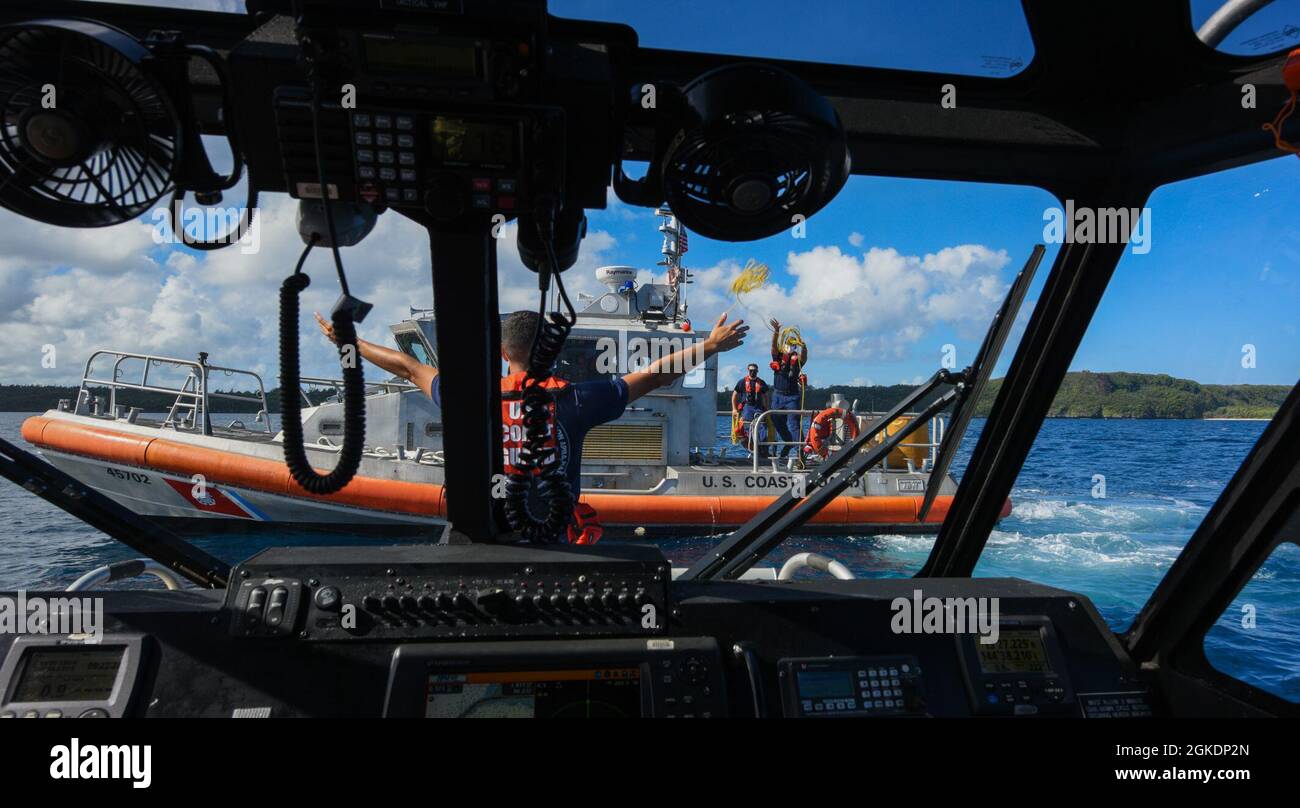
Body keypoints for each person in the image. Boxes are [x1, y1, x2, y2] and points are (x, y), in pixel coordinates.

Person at [316, 309, 747, 542]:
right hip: (550, 535)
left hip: (482, 536)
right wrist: (707, 346)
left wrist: (349, 341)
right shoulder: (576, 400)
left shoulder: (472, 399)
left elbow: (410, 368)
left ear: (504, 353)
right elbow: (655, 374)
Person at [767, 318, 808, 467]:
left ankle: (800, 453)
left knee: (793, 424)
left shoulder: (797, 360)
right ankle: (789, 443)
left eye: (793, 345)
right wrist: (776, 331)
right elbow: (772, 347)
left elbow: (804, 357)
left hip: (792, 396)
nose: (790, 347)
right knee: (777, 422)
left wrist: (804, 346)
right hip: (777, 395)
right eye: (788, 344)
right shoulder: (777, 356)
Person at [731, 362, 771, 461]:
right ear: (748, 370)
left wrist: (766, 410)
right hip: (747, 409)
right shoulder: (742, 382)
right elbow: (734, 395)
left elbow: (766, 397)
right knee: (745, 431)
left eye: (754, 370)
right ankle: (753, 450)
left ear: (757, 371)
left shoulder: (761, 383)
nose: (753, 372)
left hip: (758, 408)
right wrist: (734, 409)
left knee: (761, 430)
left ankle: (763, 452)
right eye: (751, 370)